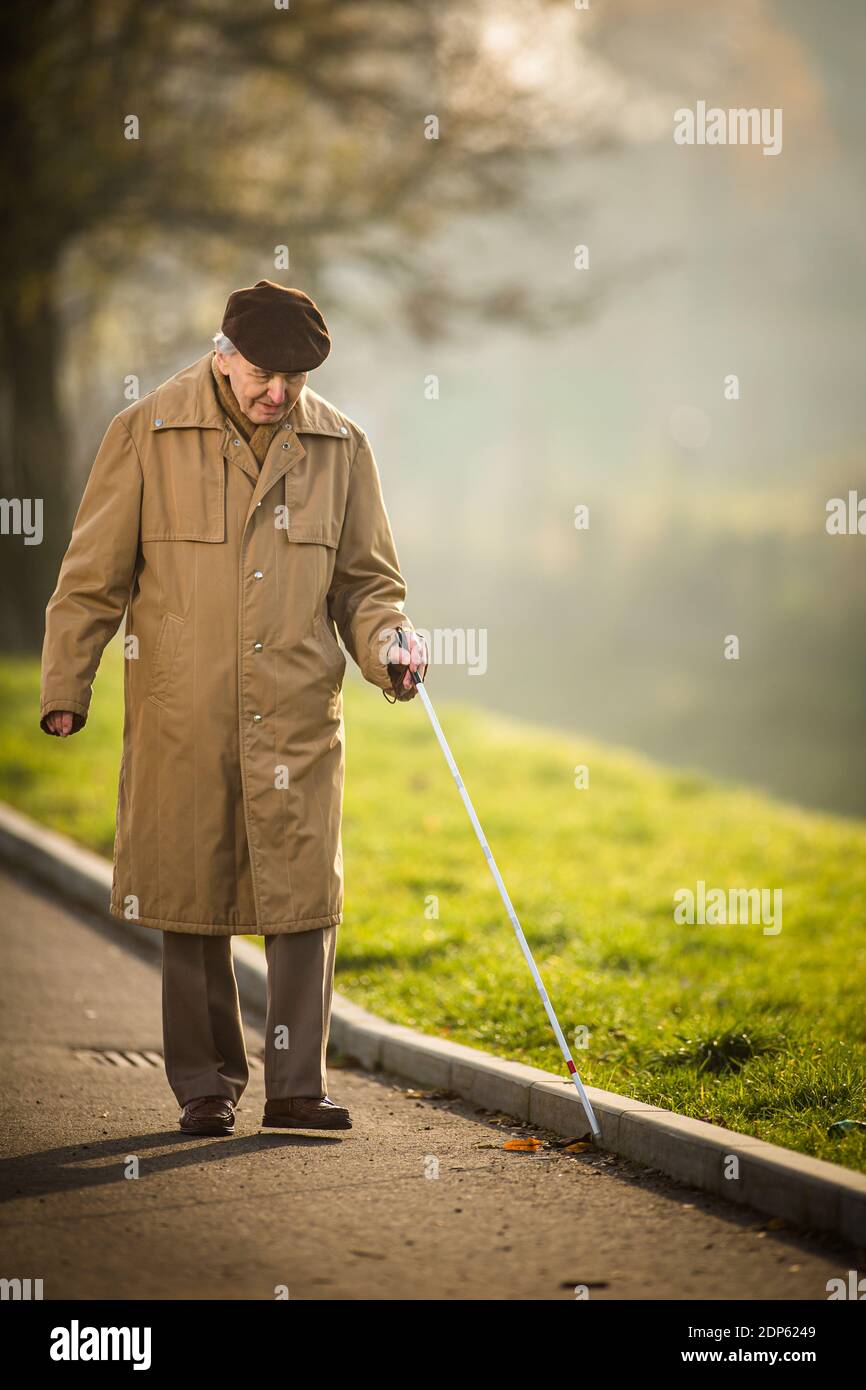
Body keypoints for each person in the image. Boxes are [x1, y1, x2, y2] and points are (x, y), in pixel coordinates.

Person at [40, 280, 427, 1136]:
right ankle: (205, 1087)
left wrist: (390, 643)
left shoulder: (341, 446)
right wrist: (68, 687)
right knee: (190, 894)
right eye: (261, 374)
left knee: (302, 903)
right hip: (186, 710)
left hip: (296, 713)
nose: (277, 394)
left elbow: (366, 587)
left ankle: (297, 1087)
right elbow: (91, 576)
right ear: (224, 353)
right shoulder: (146, 432)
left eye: (292, 379)